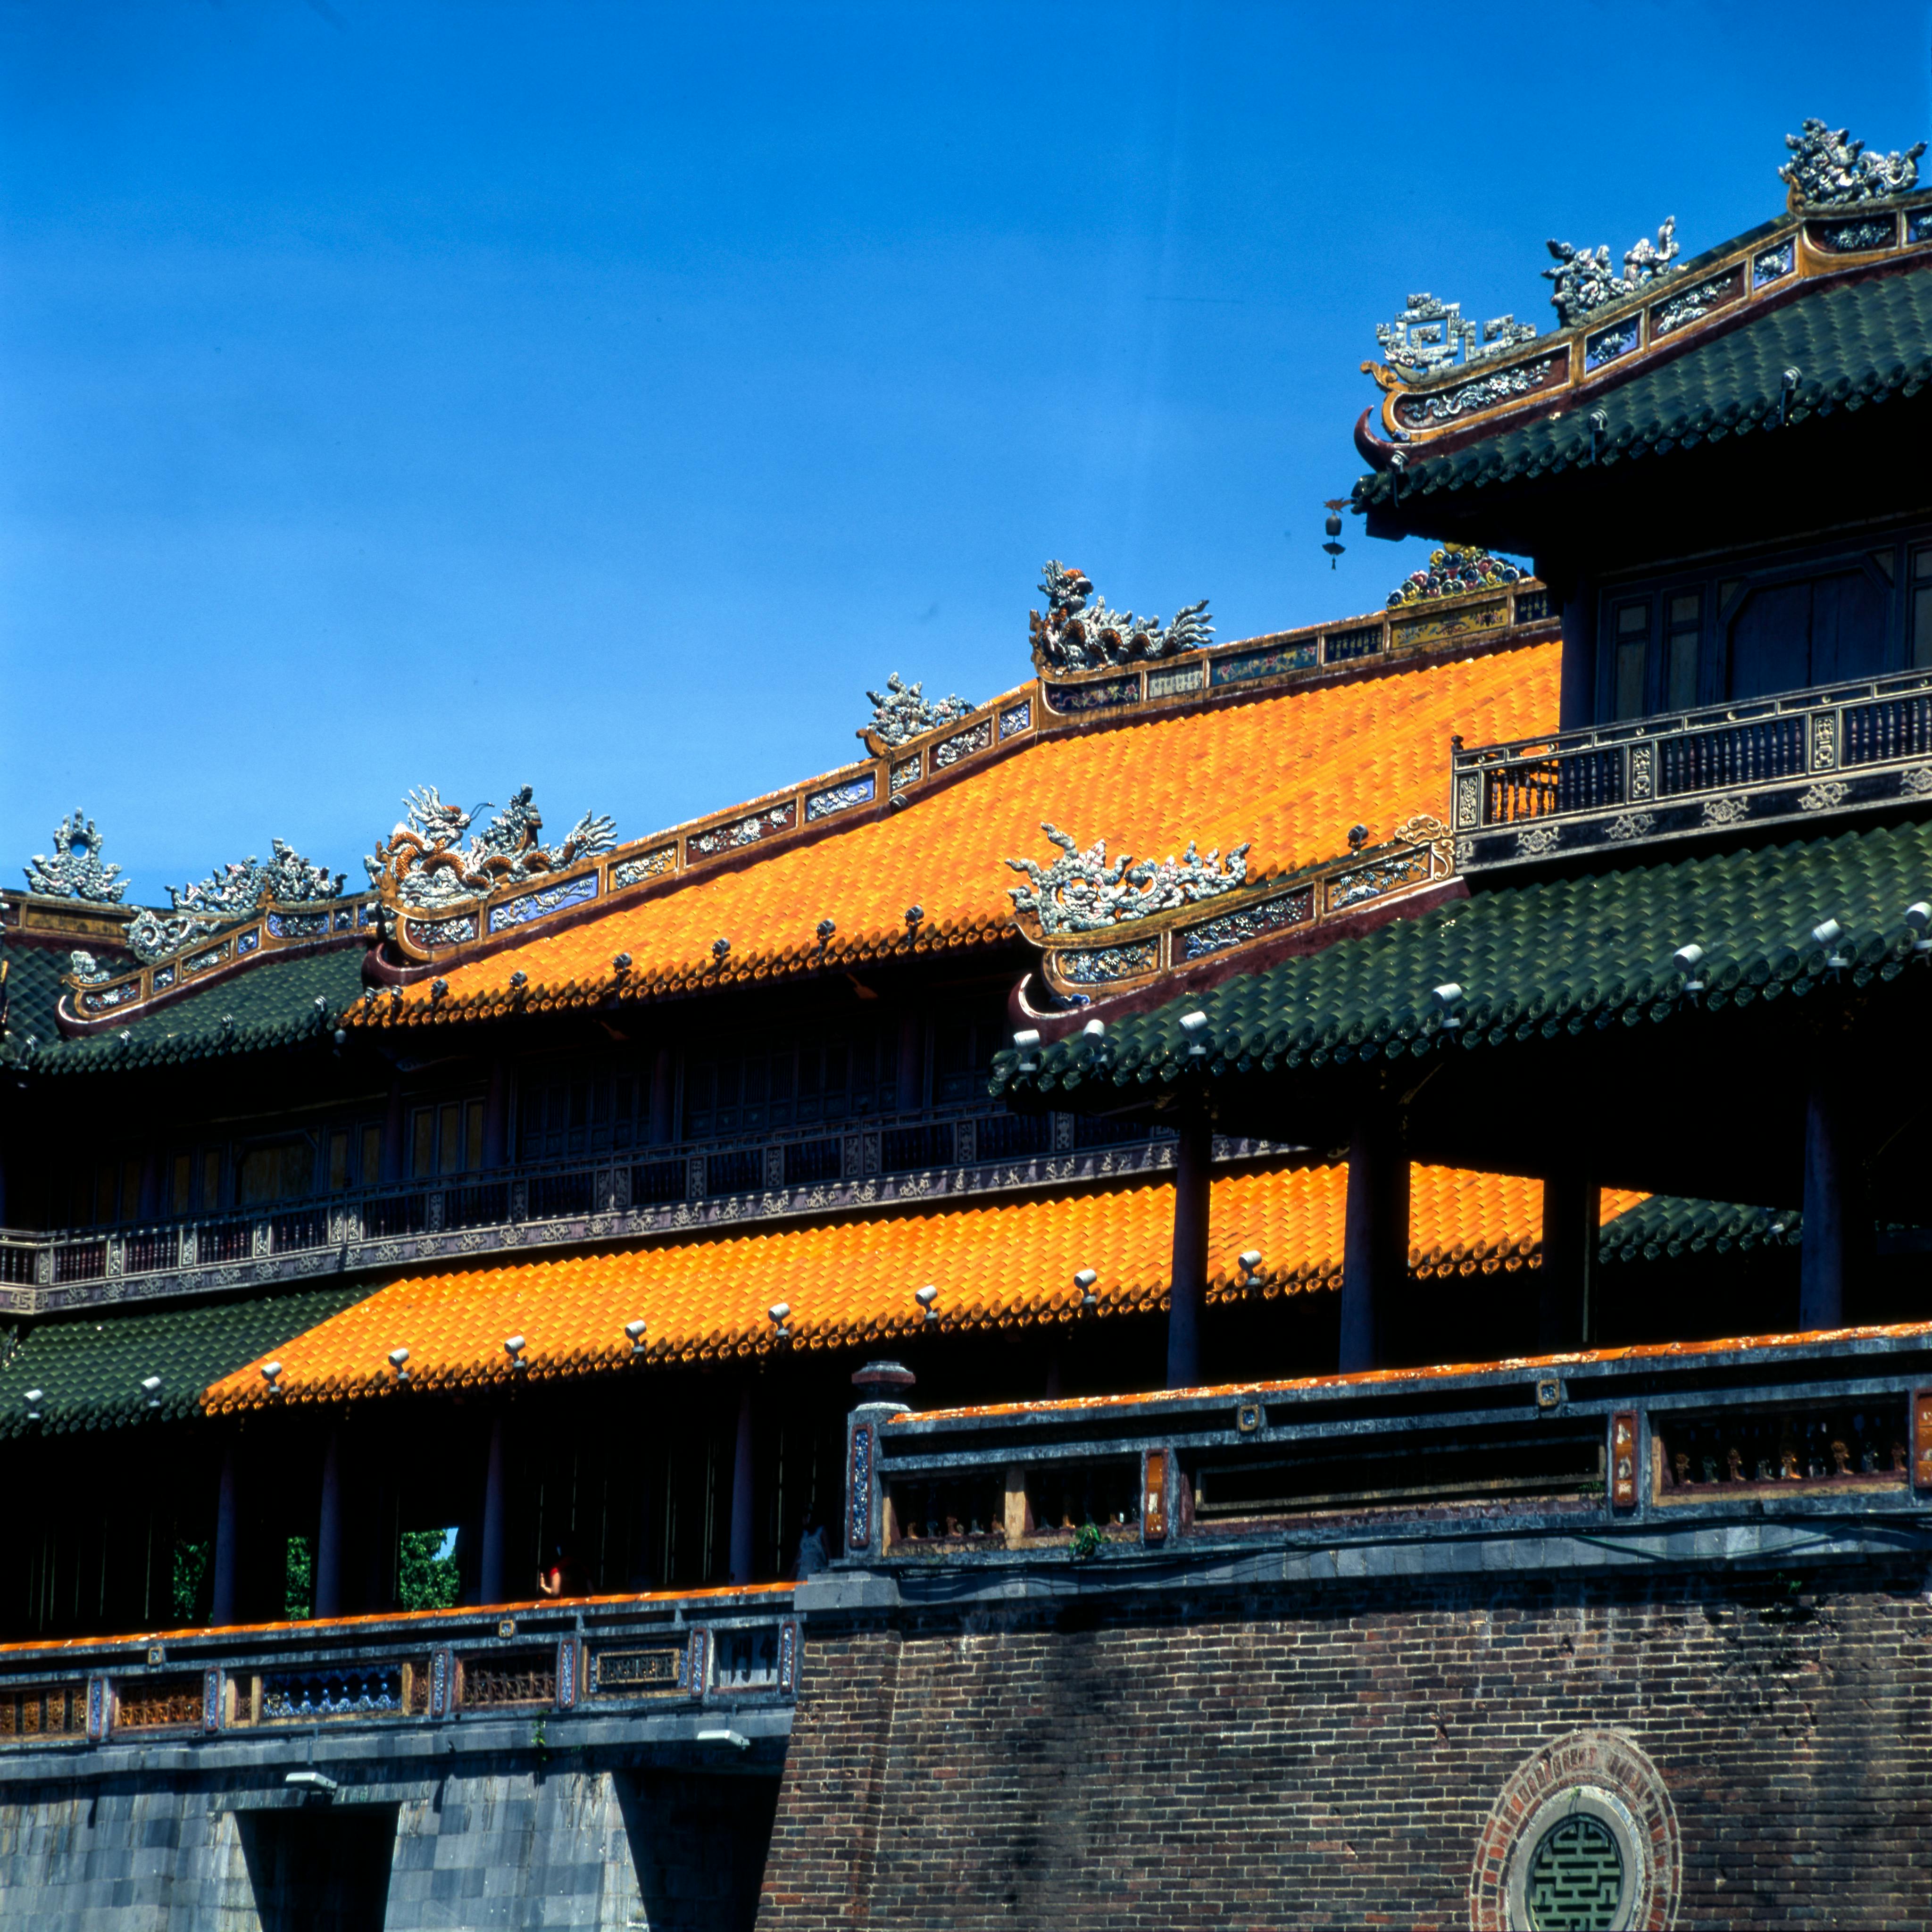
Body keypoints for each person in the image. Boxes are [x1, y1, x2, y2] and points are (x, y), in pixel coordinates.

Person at [793, 1514, 830, 1580]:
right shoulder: (805, 1535)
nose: (804, 1520)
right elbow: (798, 1557)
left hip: (816, 1573)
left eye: (807, 1517)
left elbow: (829, 1553)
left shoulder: (821, 1531)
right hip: (803, 1574)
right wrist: (790, 1578)